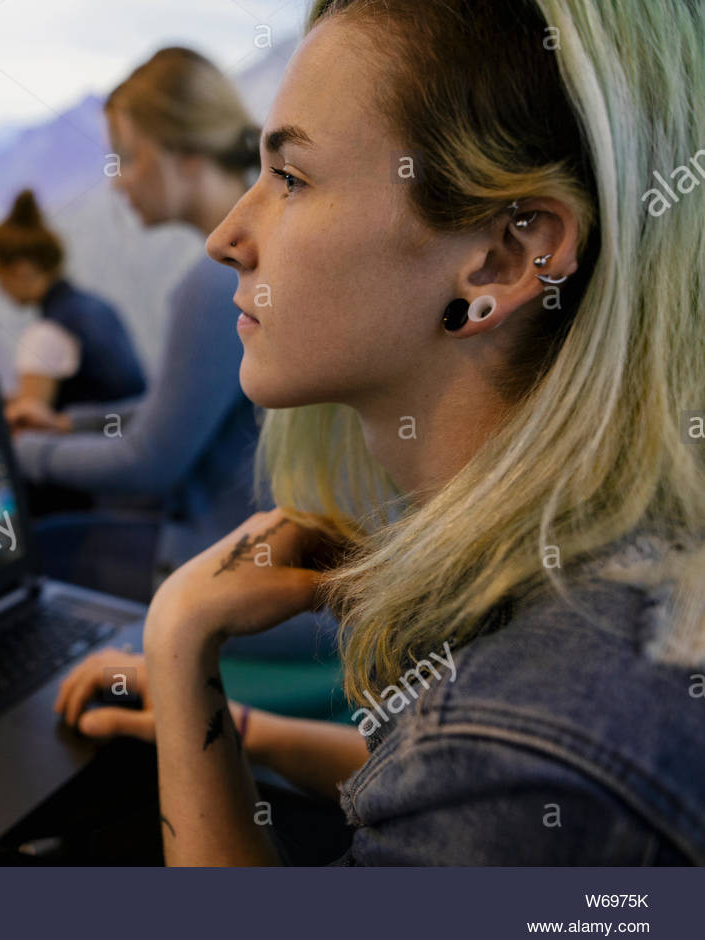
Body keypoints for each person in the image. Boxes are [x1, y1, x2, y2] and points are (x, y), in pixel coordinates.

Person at [54, 0, 705, 865]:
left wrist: (179, 643)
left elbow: (489, 768)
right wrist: (245, 731)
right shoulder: (590, 585)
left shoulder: (531, 748)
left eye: (292, 179)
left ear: (504, 261)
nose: (227, 238)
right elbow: (431, 790)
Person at [7, 48, 273, 598]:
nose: (118, 181)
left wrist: (21, 452)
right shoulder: (251, 261)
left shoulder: (216, 281)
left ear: (189, 155)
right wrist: (68, 425)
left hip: (228, 587)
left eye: (128, 156)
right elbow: (174, 408)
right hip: (251, 564)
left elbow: (149, 462)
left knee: (34, 566)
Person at [0, 189, 145, 415]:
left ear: (22, 269)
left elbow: (29, 419)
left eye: (0, 277)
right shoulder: (99, 306)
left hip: (90, 445)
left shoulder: (46, 333)